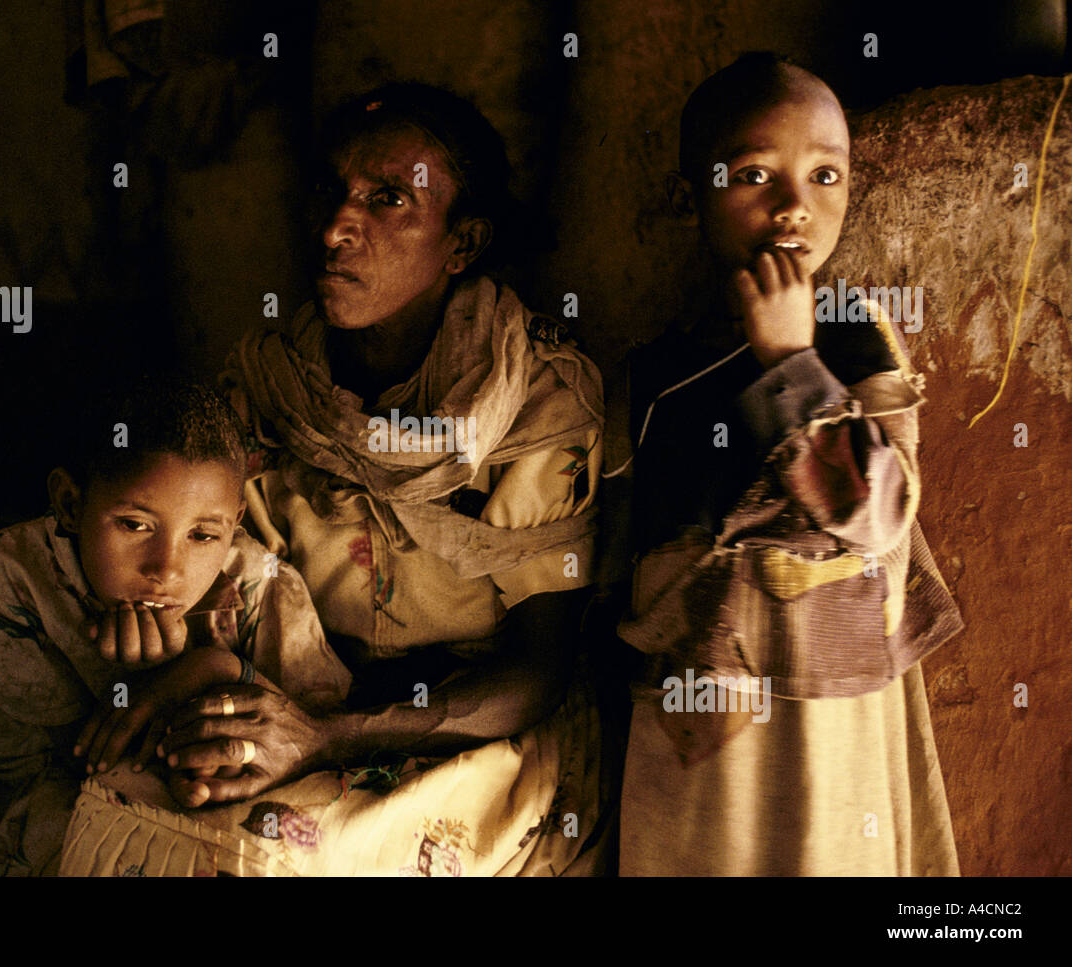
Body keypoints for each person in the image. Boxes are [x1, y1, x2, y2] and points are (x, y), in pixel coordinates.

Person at [58, 82, 610, 876]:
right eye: (332, 191)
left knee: (275, 854)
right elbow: (224, 585)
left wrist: (324, 739)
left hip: (472, 730)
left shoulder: (538, 407)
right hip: (299, 701)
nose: (334, 228)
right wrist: (175, 653)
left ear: (463, 243)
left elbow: (537, 674)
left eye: (388, 200)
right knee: (123, 804)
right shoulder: (267, 384)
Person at [611, 53, 963, 874]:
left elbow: (884, 517)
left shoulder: (852, 334)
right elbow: (629, 546)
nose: (793, 206)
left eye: (825, 174)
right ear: (687, 197)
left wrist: (789, 362)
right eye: (754, 174)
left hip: (828, 698)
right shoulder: (657, 368)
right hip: (694, 704)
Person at [0, 376, 350, 875]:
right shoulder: (19, 578)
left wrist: (213, 670)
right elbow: (85, 760)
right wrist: (154, 683)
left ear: (236, 520)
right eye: (135, 525)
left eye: (204, 535)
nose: (166, 569)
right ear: (71, 504)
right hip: (59, 787)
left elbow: (306, 726)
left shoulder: (258, 584)